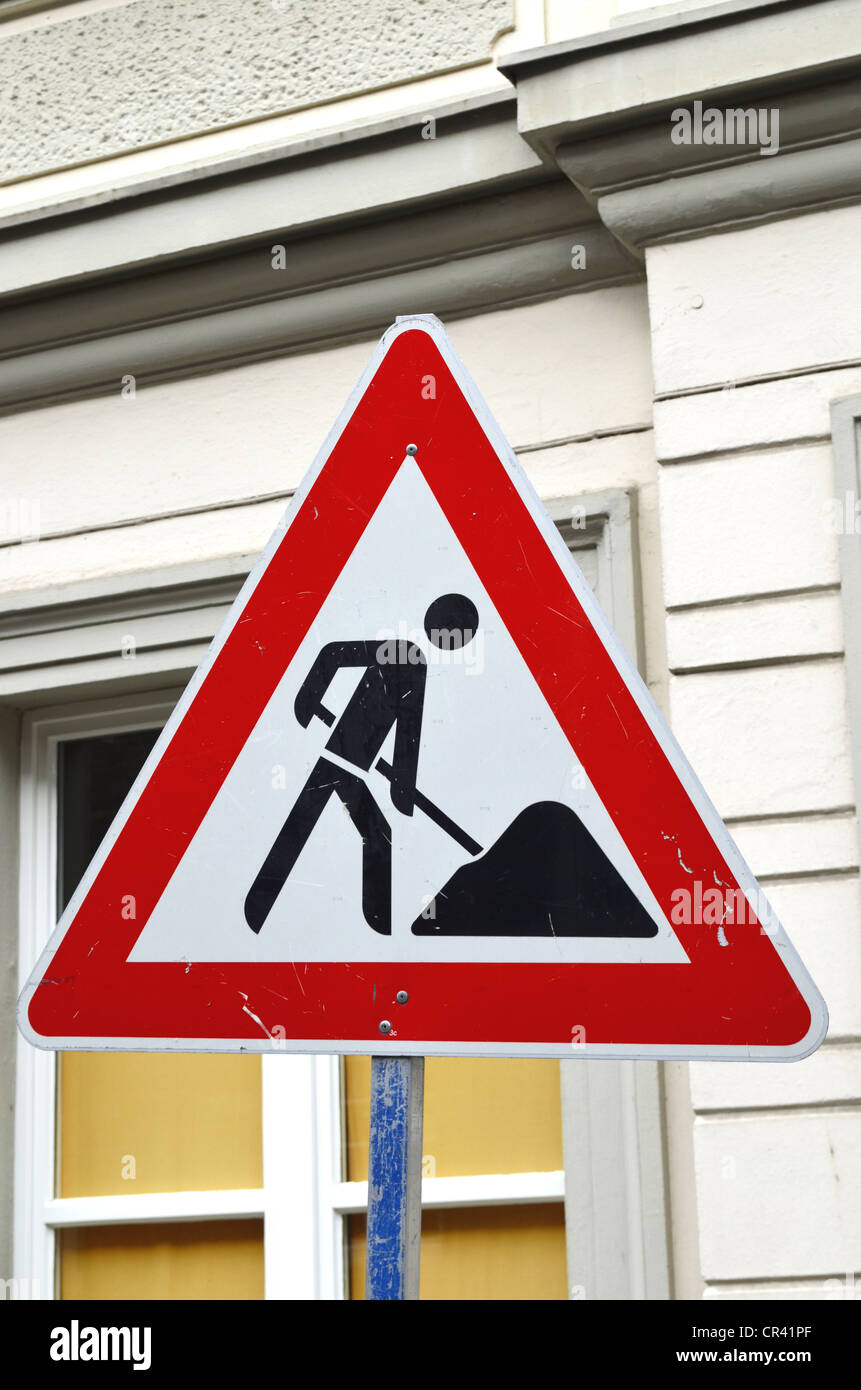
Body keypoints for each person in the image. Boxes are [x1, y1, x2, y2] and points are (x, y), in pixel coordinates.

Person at [245, 593, 479, 934]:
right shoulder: (403, 652)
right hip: (336, 759)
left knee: (341, 828)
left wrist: (402, 787)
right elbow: (334, 654)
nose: (454, 642)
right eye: (454, 634)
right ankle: (375, 927)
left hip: (351, 767)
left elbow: (407, 738)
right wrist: (308, 702)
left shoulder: (415, 665)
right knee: (344, 829)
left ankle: (376, 928)